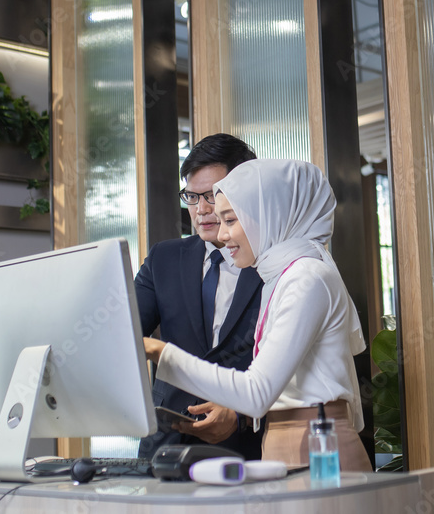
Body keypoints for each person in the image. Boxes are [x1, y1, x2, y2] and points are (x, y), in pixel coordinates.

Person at [144, 159, 372, 471]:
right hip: (286, 441)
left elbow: (256, 392)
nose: (222, 236)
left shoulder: (307, 277)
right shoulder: (280, 276)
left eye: (231, 220)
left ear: (268, 216)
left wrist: (161, 352)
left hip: (315, 446)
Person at [135, 133, 263, 460]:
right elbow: (126, 333)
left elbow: (292, 367)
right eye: (192, 197)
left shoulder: (273, 267)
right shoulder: (164, 258)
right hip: (166, 450)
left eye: (212, 195)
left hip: (247, 450)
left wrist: (242, 414)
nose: (202, 210)